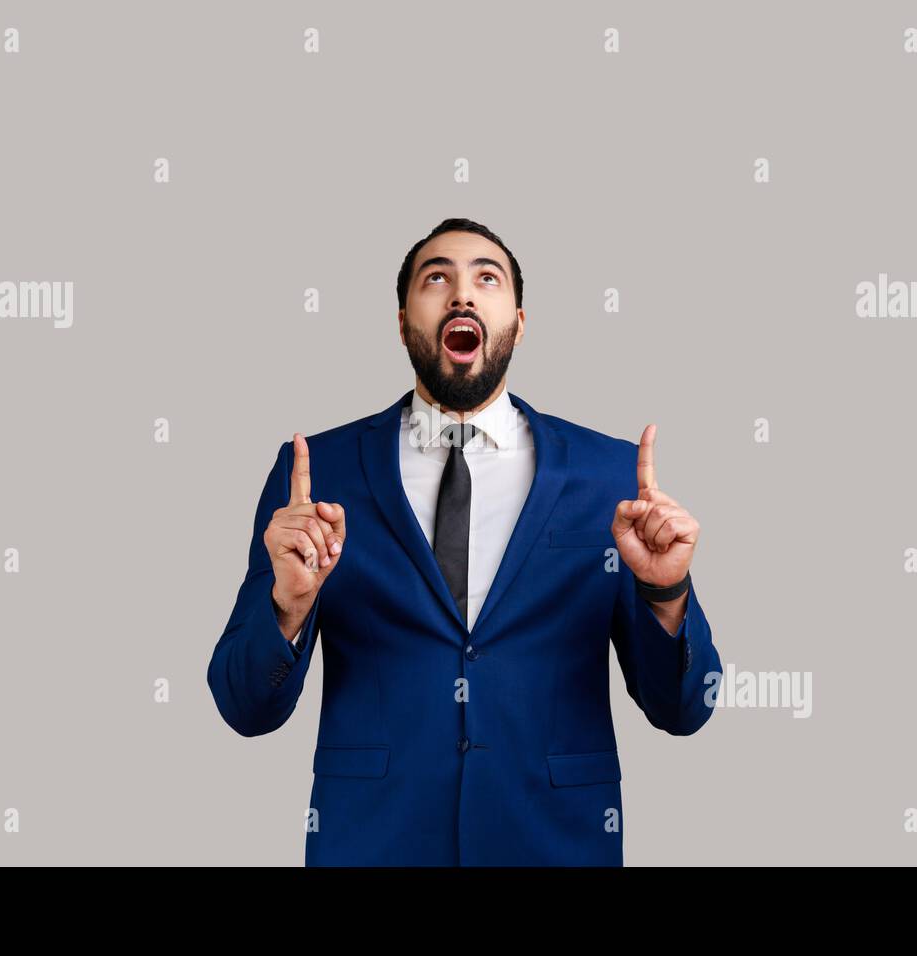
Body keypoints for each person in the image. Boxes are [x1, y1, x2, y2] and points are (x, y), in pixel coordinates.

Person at [207, 218, 721, 866]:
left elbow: (682, 710)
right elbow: (242, 705)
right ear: (402, 321)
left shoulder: (611, 478)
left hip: (557, 844)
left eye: (486, 277)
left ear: (520, 321)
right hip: (371, 844)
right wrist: (287, 606)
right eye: (435, 278)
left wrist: (666, 590)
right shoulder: (314, 474)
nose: (461, 293)